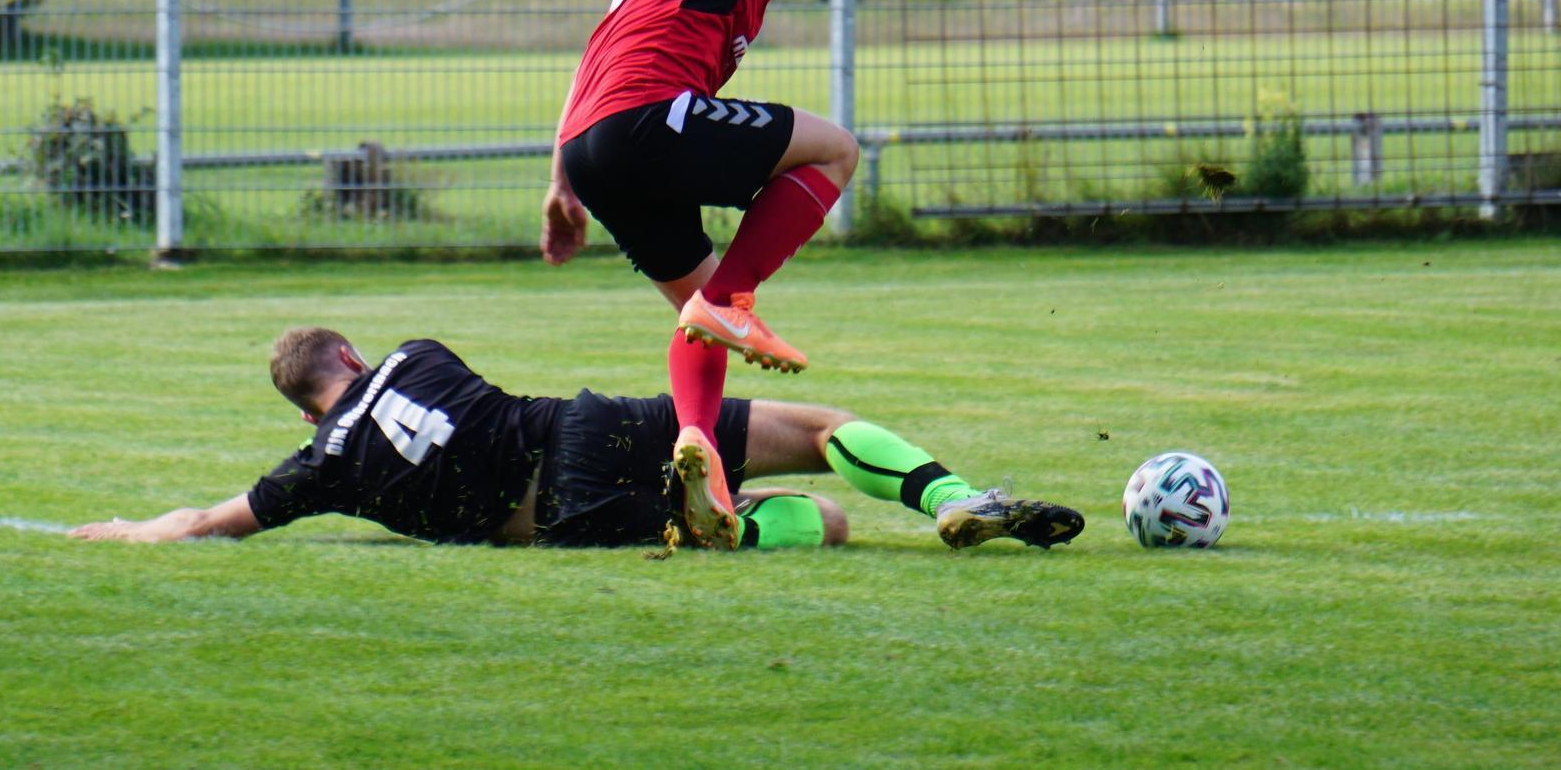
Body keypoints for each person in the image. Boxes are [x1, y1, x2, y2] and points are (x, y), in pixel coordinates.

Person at [539, 0, 976, 550]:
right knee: (837, 149)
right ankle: (732, 302)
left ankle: (699, 451)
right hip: (647, 119)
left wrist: (562, 179)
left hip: (597, 146)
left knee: (695, 312)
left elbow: (595, 54)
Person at [69, 328, 1083, 553]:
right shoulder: (417, 354)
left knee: (816, 524)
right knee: (820, 435)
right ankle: (948, 496)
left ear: (304, 409)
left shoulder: (319, 465)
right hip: (582, 425)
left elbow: (208, 523)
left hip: (560, 518)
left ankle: (718, 522)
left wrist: (124, 528)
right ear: (348, 348)